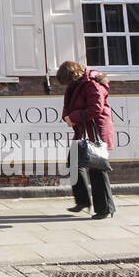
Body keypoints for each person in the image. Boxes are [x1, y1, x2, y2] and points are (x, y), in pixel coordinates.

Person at [57, 60, 117, 220]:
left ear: (73, 75)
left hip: (95, 129)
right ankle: (83, 201)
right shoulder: (75, 84)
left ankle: (105, 208)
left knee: (97, 168)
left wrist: (74, 117)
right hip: (83, 128)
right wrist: (67, 117)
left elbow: (96, 108)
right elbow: (68, 104)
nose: (66, 85)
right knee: (74, 162)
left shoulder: (92, 83)